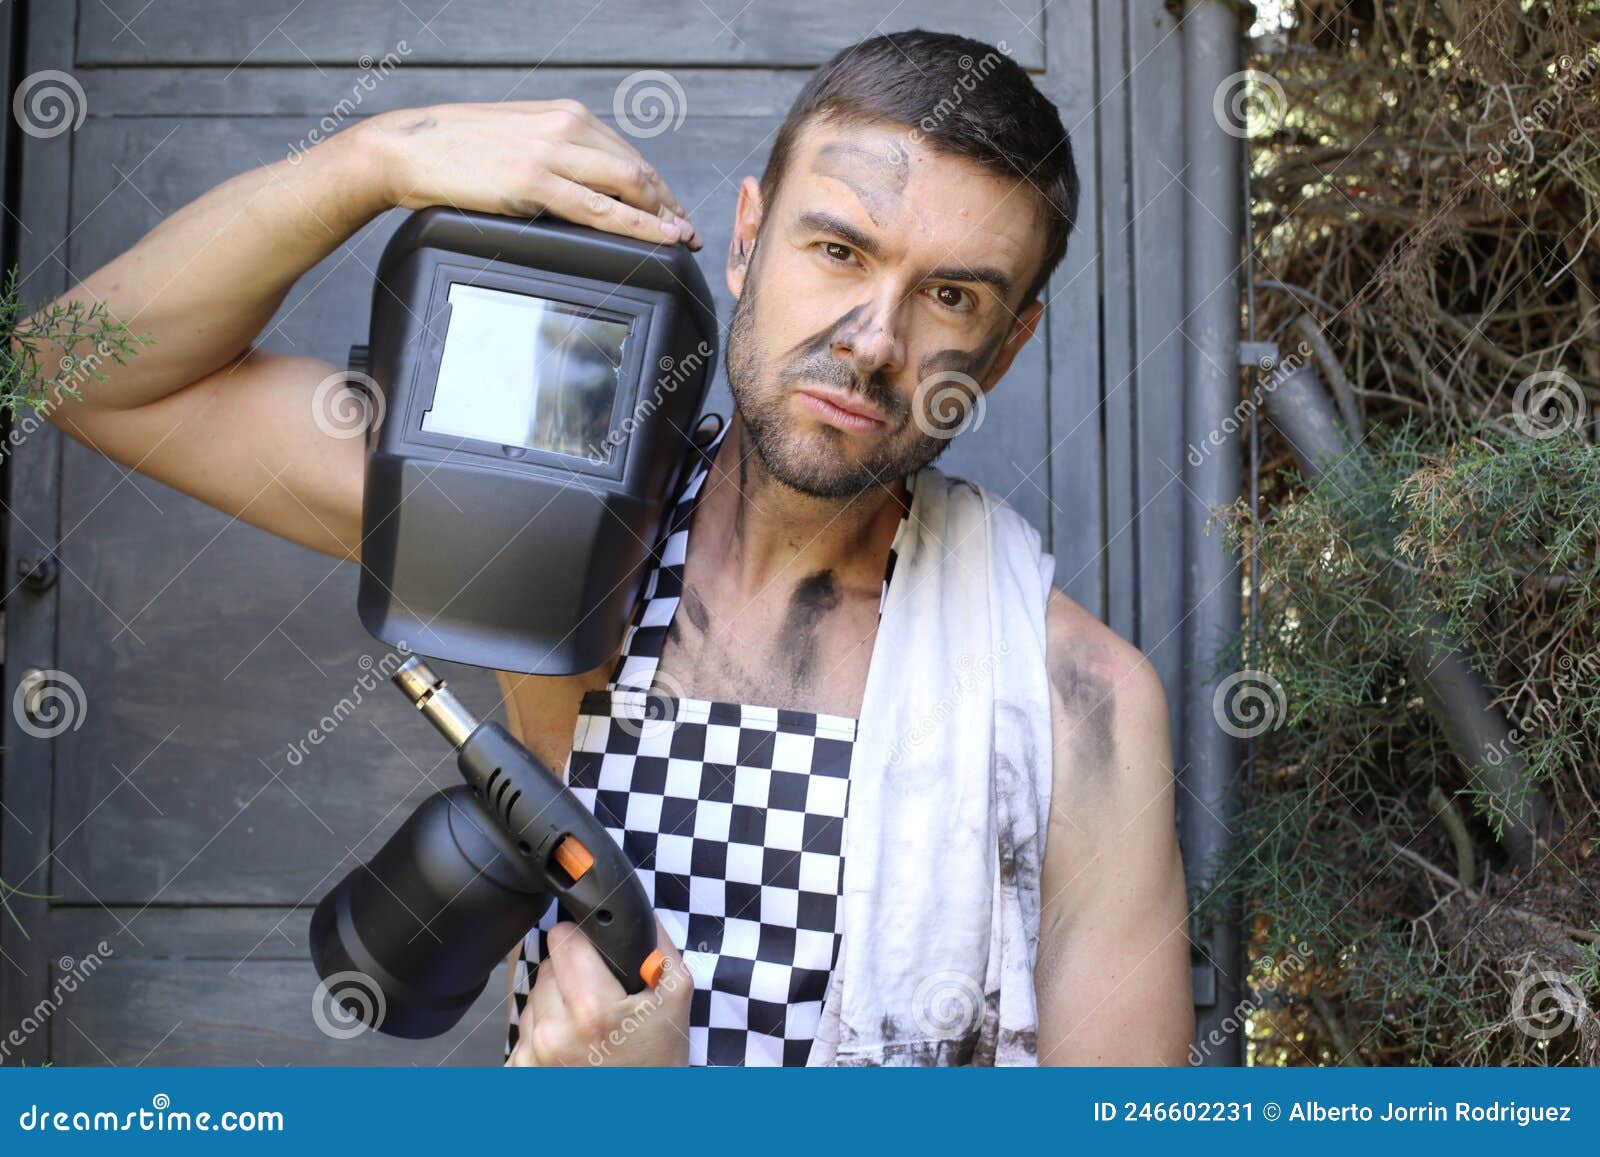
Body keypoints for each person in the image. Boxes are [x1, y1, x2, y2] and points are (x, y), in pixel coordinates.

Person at [30, 28, 1193, 1066]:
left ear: (1005, 345)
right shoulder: (559, 528)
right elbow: (77, 372)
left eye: (950, 296)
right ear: (746, 239)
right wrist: (369, 161)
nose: (875, 340)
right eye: (837, 250)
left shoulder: (1075, 703)